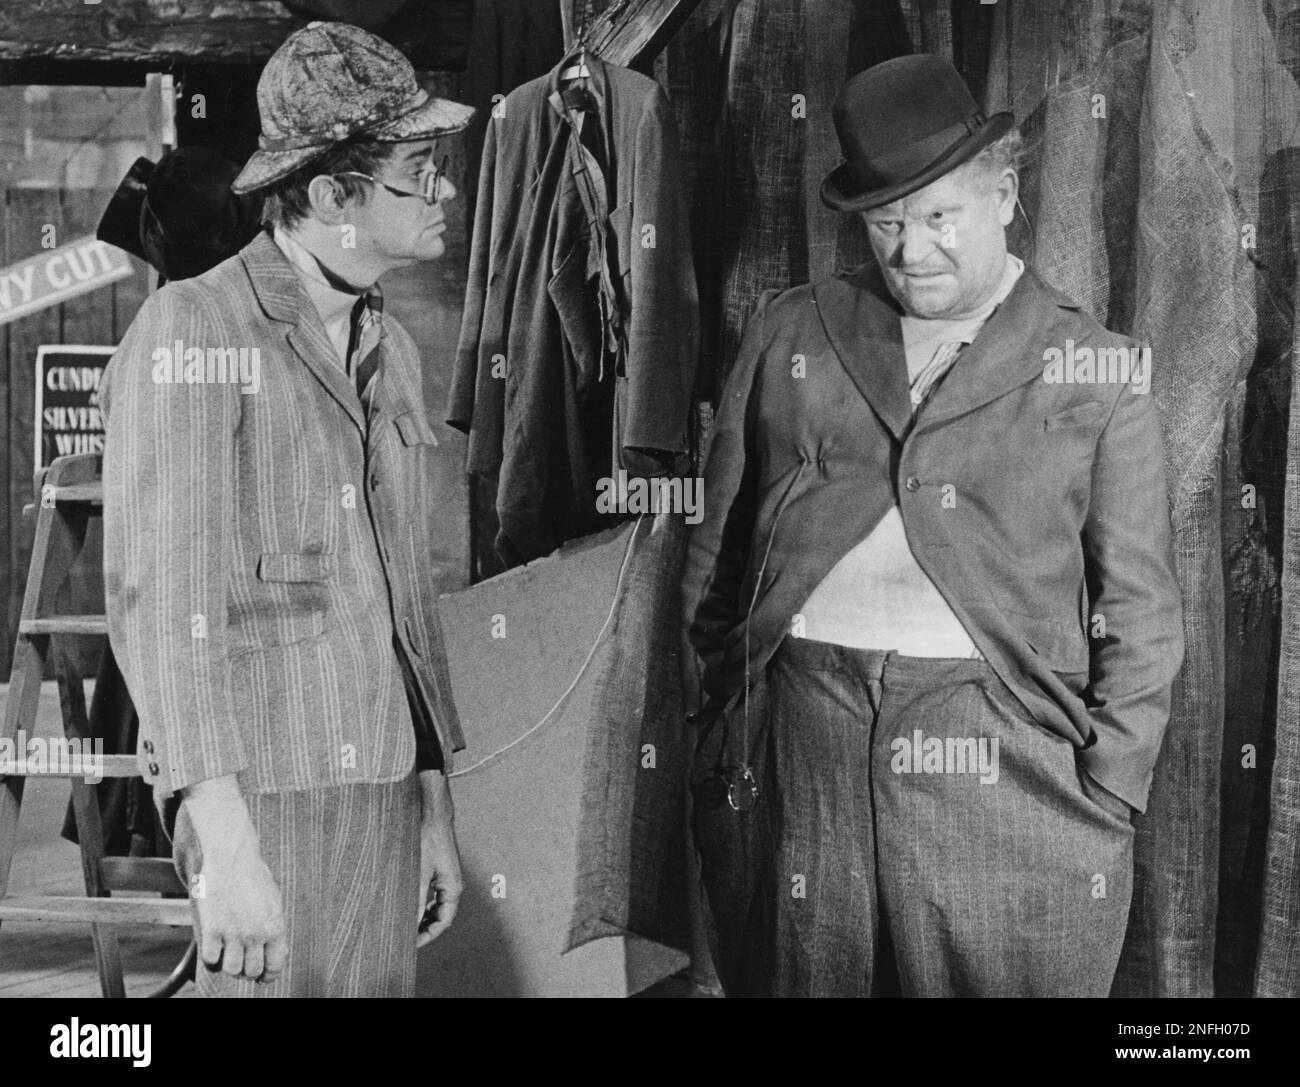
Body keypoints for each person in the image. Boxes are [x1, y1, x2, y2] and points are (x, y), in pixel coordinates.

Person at [683, 53, 1184, 997]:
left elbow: (1142, 609)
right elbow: (714, 547)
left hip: (1002, 756)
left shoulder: (1097, 367)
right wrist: (717, 728)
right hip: (800, 749)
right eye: (886, 223)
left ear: (1004, 192)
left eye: (940, 217)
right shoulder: (791, 329)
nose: (912, 253)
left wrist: (1109, 791)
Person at [100, 21, 474, 997]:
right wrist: (220, 834)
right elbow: (159, 600)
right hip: (266, 792)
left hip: (380, 790)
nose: (445, 193)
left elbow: (406, 600)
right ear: (327, 194)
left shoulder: (390, 346)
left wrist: (432, 799)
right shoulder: (194, 328)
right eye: (417, 172)